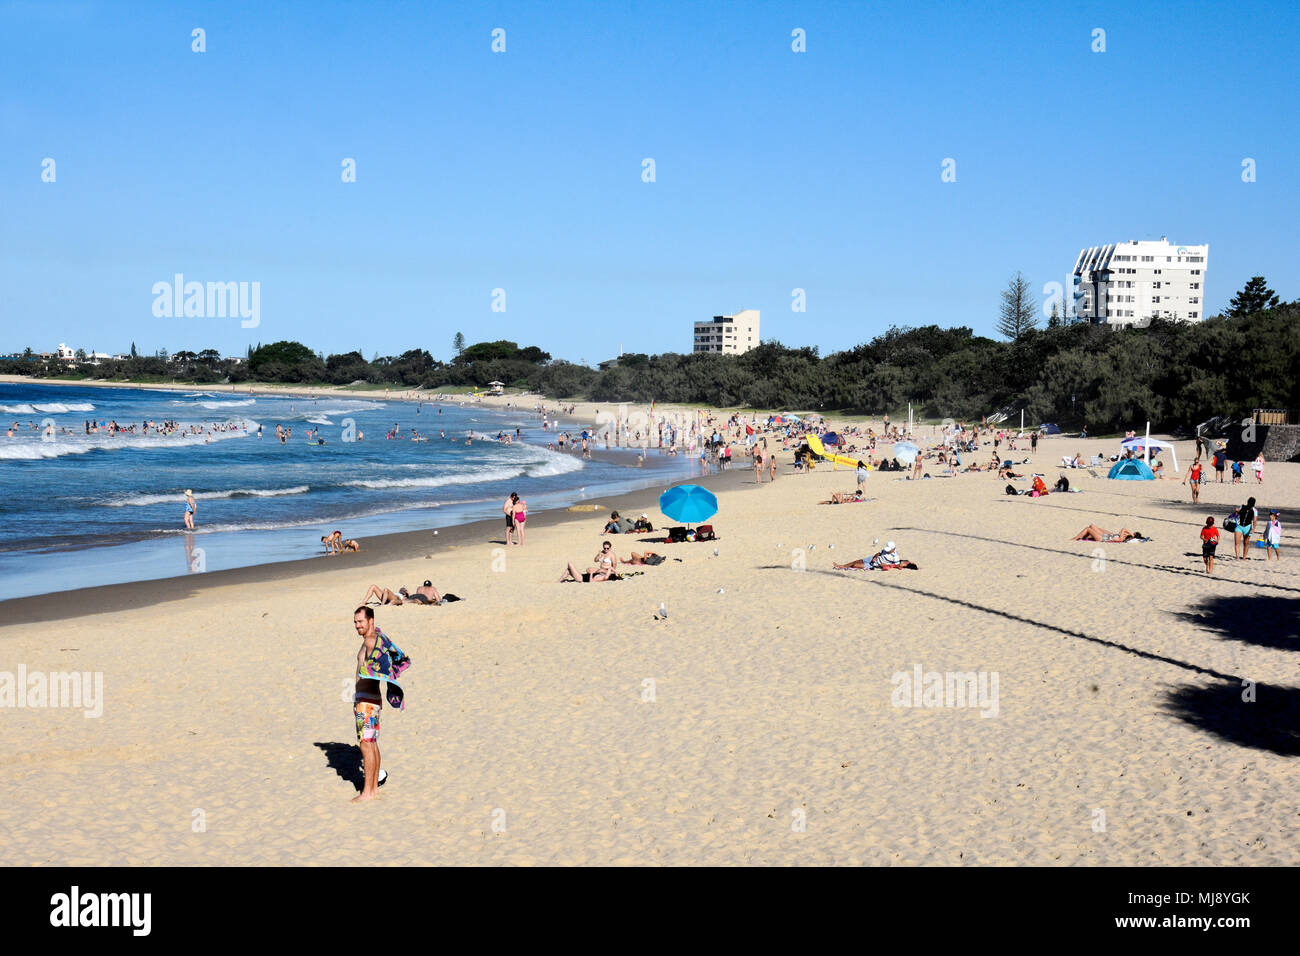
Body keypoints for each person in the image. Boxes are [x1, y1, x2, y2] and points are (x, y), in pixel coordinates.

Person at [350, 606, 410, 802]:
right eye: (355, 622)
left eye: (361, 621)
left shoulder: (370, 641)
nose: (357, 625)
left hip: (367, 702)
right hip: (373, 700)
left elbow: (381, 664)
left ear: (371, 621)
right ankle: (373, 789)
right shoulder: (380, 639)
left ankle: (367, 792)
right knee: (372, 744)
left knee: (366, 745)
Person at [1071, 525, 1147, 543]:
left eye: (1134, 533)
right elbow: (1124, 530)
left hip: (1102, 538)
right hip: (1105, 536)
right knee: (1092, 526)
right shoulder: (1124, 536)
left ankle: (1075, 538)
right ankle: (1082, 536)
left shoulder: (1121, 538)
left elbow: (1123, 529)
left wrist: (1131, 534)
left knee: (1088, 529)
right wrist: (1130, 534)